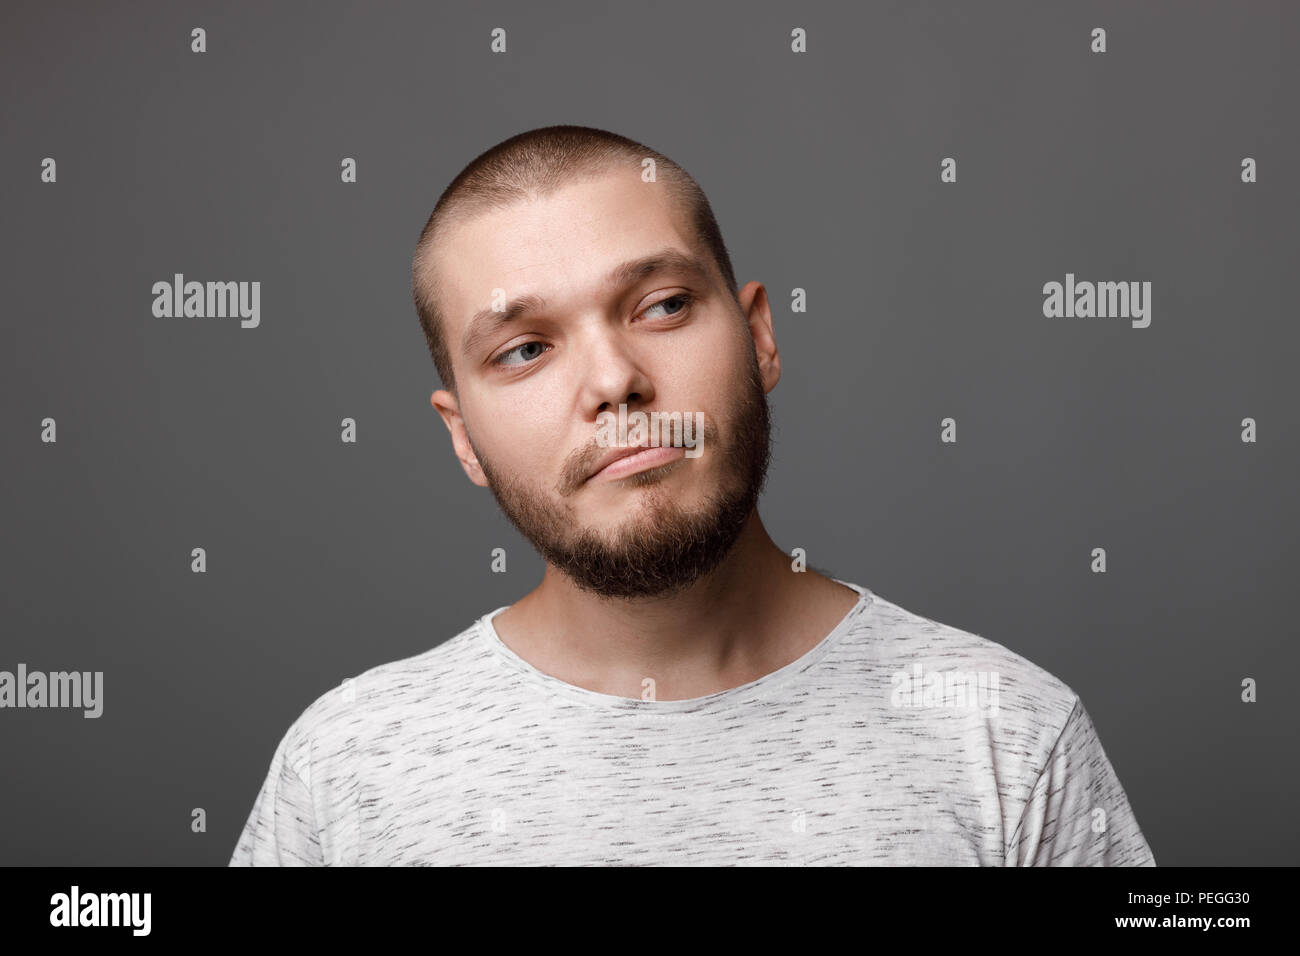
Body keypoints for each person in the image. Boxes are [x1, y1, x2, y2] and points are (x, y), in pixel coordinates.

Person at [230, 125, 1155, 866]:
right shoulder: (347, 770)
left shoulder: (1005, 737)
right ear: (463, 436)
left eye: (662, 305)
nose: (614, 383)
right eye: (525, 349)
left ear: (758, 339)